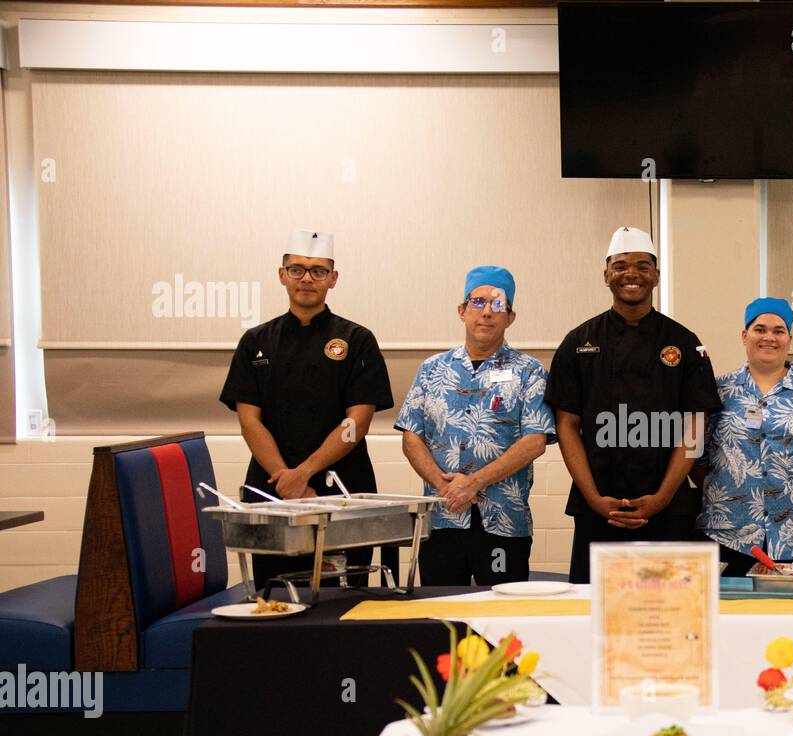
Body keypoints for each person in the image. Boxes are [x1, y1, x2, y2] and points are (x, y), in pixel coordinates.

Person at [546, 226, 722, 583]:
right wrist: (593, 497)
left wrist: (661, 497)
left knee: (667, 611)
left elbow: (693, 427)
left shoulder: (685, 344)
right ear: (606, 274)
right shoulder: (577, 342)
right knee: (592, 610)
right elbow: (566, 425)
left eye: (643, 265)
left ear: (656, 276)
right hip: (597, 509)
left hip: (667, 509)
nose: (632, 273)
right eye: (621, 264)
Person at [220, 229, 393, 586]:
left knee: (344, 605)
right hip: (272, 492)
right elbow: (250, 421)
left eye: (317, 270)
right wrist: (287, 481)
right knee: (274, 599)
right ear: (281, 275)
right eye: (297, 269)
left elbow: (355, 423)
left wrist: (304, 475)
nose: (307, 279)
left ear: (333, 278)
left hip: (341, 490)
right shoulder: (255, 341)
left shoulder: (357, 340)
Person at [394, 266, 554, 586]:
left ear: (510, 317)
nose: (487, 313)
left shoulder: (530, 371)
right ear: (462, 311)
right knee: (441, 616)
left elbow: (535, 440)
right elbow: (412, 436)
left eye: (498, 305)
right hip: (442, 518)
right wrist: (447, 487)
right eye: (478, 302)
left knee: (502, 617)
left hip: (504, 521)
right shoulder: (431, 370)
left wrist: (472, 483)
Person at [696, 297, 793, 581]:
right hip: (728, 536)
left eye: (778, 331)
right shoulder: (716, 392)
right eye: (760, 329)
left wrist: (791, 487)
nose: (769, 337)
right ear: (745, 336)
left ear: (789, 339)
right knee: (733, 622)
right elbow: (697, 460)